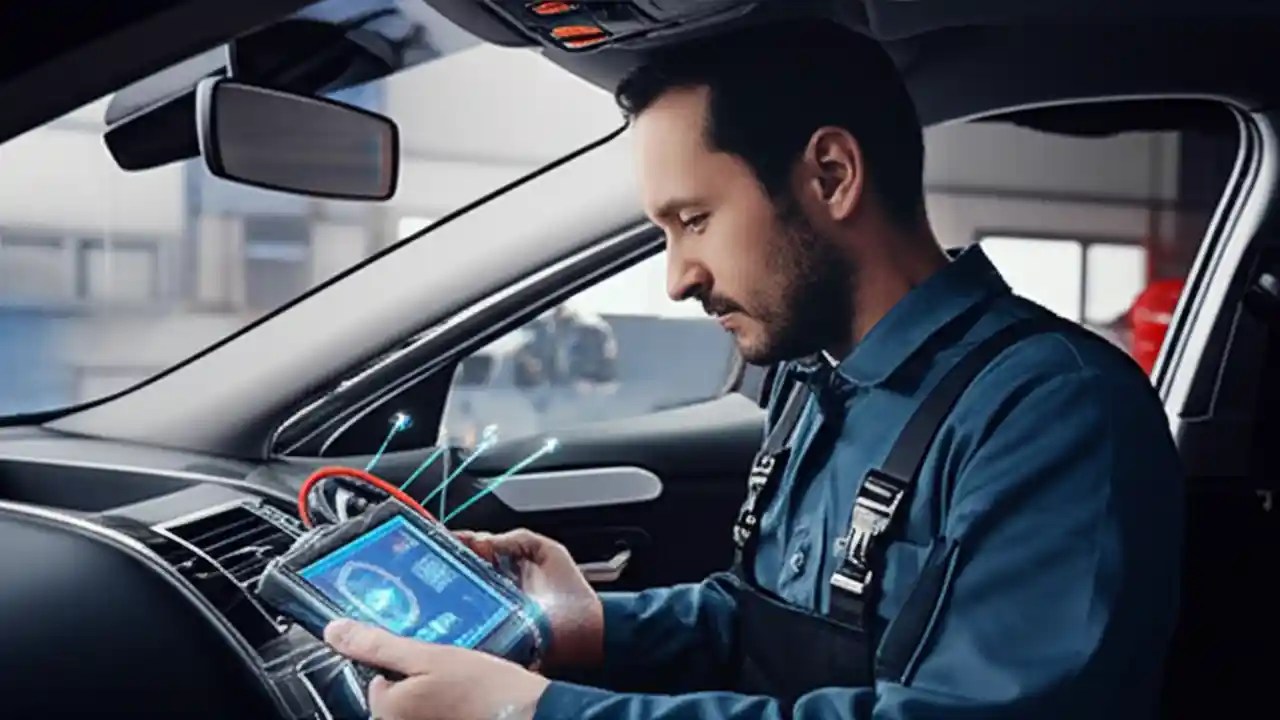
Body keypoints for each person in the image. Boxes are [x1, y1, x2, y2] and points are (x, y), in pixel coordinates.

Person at [322, 18, 1185, 720]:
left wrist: (534, 715)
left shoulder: (1053, 413)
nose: (676, 276)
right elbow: (762, 622)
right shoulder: (814, 382)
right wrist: (591, 634)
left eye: (693, 219)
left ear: (832, 175)